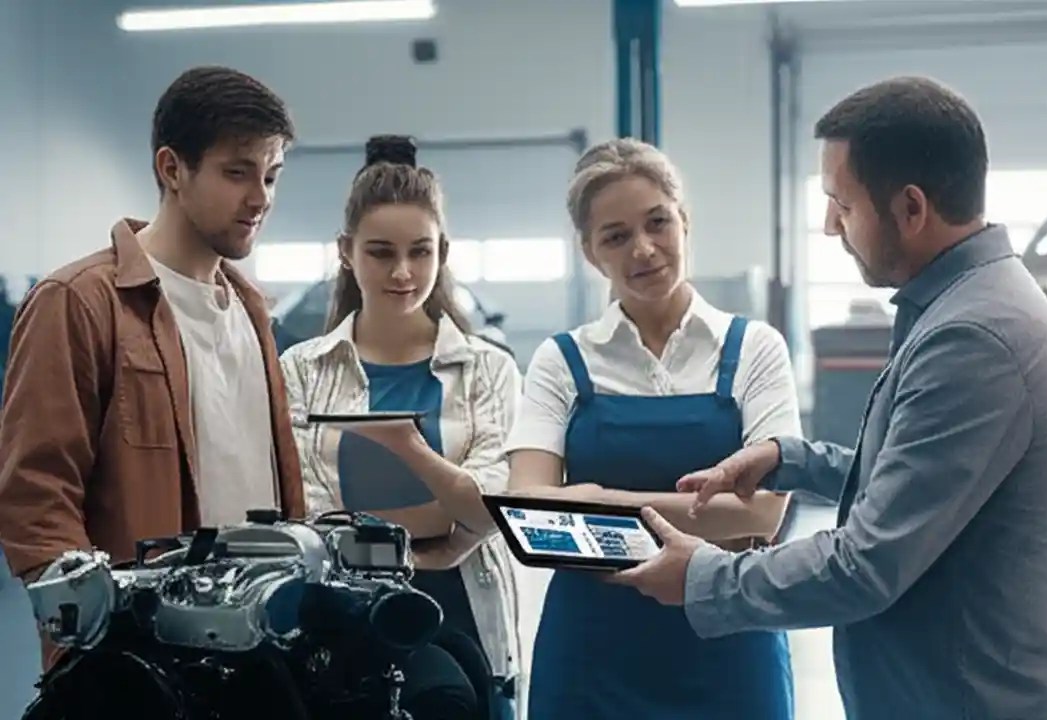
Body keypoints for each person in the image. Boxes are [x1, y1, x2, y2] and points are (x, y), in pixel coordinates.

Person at [612, 76, 1047, 720]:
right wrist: (794, 459)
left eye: (841, 202)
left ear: (911, 208)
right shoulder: (968, 304)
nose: (829, 223)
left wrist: (704, 577)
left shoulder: (975, 337)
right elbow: (923, 483)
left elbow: (867, 564)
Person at [503, 138, 803, 720]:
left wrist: (603, 501)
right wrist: (710, 513)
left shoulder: (755, 349)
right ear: (591, 253)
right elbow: (530, 508)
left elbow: (764, 513)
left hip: (730, 641)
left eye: (657, 223)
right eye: (615, 236)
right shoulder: (562, 361)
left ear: (684, 222)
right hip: (592, 650)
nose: (643, 249)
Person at [0, 66, 305, 590]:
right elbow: (36, 495)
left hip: (267, 643)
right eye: (237, 173)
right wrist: (103, 623)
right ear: (171, 168)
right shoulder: (78, 302)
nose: (260, 199)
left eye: (270, 175)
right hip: (147, 650)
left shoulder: (253, 313)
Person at [279, 136, 522, 720]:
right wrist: (441, 527)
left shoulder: (489, 369)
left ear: (443, 249)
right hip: (341, 623)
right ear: (346, 252)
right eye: (381, 252)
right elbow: (305, 508)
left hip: (467, 613)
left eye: (420, 251)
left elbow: (496, 504)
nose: (403, 272)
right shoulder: (303, 371)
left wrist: (409, 457)